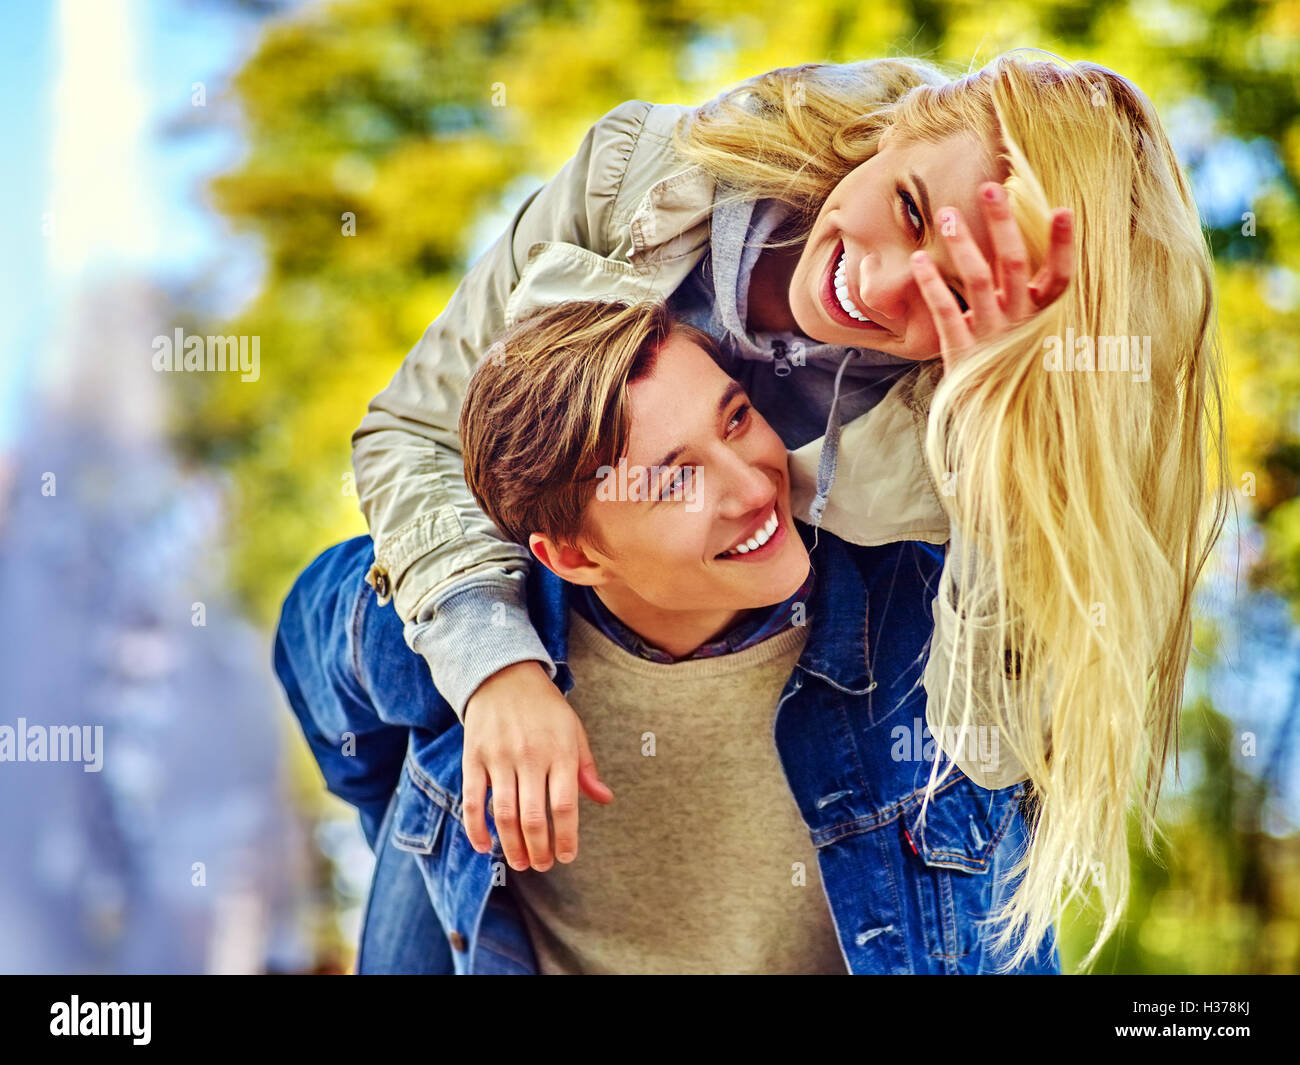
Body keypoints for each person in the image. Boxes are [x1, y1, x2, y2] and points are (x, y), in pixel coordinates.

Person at [342, 50, 1227, 968]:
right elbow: (410, 430)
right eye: (912, 210)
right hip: (530, 626)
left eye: (951, 291)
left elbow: (983, 753)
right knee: (362, 617)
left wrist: (993, 431)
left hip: (823, 735)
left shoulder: (975, 431)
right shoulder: (641, 178)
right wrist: (496, 670)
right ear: (901, 126)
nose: (879, 286)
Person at [274, 298, 1059, 974]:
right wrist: (488, 688)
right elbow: (313, 659)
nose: (755, 486)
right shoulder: (456, 616)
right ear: (576, 555)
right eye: (678, 478)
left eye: (736, 418)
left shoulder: (925, 609)